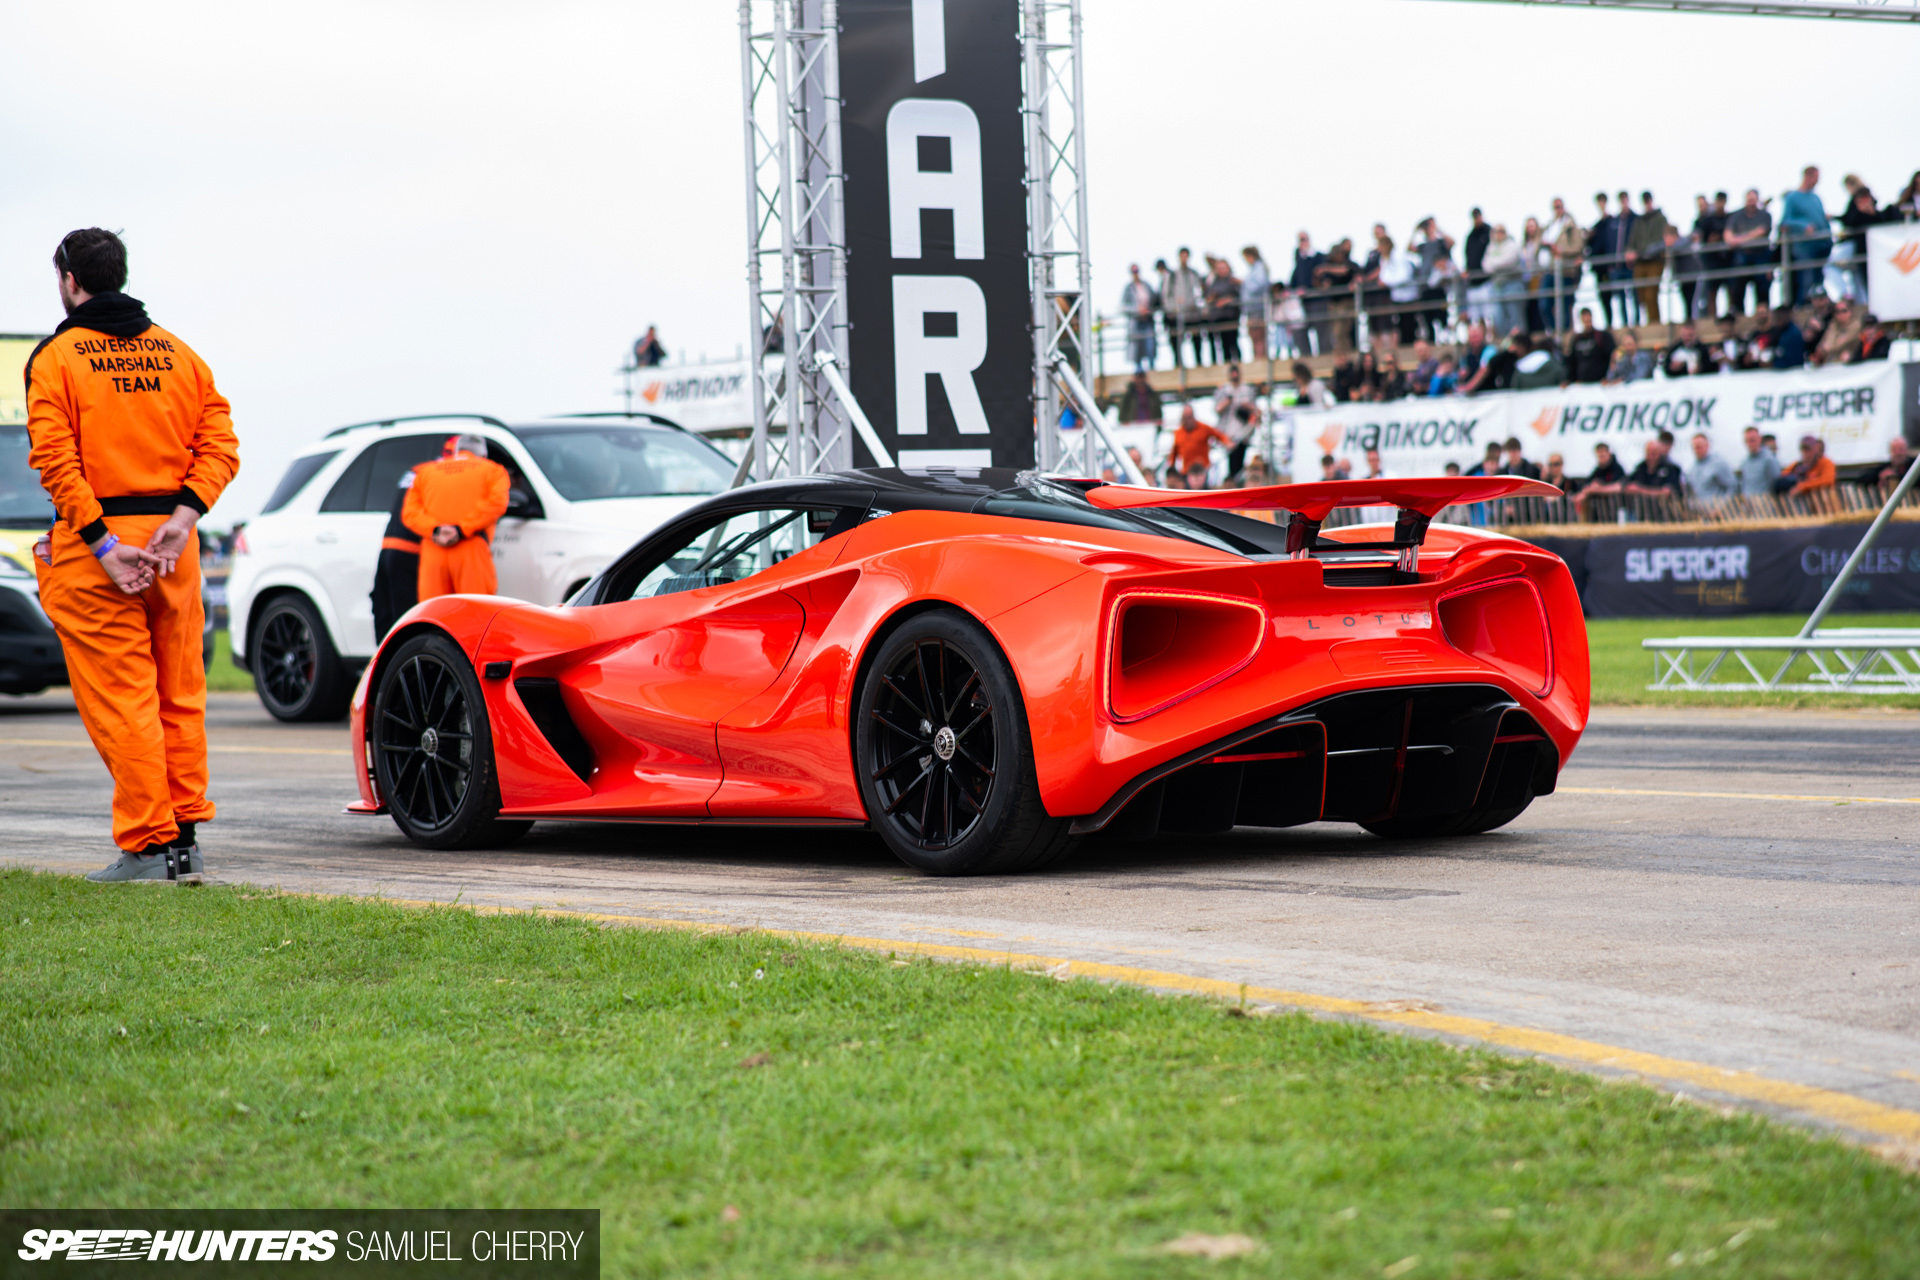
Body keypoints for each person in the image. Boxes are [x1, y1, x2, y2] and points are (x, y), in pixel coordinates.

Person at [26, 228, 240, 883]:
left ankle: (148, 847)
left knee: (123, 701)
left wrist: (101, 544)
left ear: (69, 281)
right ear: (119, 275)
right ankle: (184, 842)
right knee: (179, 694)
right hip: (173, 548)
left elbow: (56, 460)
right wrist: (183, 518)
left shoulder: (56, 358)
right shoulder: (179, 354)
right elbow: (221, 446)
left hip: (102, 550)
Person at [403, 434, 510, 599]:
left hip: (434, 550)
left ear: (456, 451)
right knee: (475, 608)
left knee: (435, 609)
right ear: (483, 455)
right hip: (471, 548)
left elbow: (410, 513)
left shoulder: (426, 472)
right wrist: (461, 529)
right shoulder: (492, 470)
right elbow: (497, 504)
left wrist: (436, 529)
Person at [370, 468, 422, 641]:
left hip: (387, 547)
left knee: (384, 610)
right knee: (406, 617)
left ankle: (383, 654)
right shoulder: (433, 472)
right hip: (410, 550)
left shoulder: (414, 471)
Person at [1779, 165, 1832, 308]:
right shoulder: (1793, 198)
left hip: (1822, 245)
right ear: (1807, 176)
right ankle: (1804, 307)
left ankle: (1819, 306)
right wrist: (1803, 226)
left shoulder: (1816, 197)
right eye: (1816, 177)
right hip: (1805, 247)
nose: (1817, 181)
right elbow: (1785, 221)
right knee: (1806, 279)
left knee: (1819, 278)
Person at [1723, 189, 1773, 316]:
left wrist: (1739, 240)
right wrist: (1743, 239)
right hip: (1742, 257)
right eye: (1749, 200)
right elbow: (1728, 236)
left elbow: (1761, 232)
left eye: (1753, 199)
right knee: (1738, 285)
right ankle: (1739, 313)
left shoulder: (1765, 215)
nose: (1751, 202)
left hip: (1761, 256)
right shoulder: (1736, 216)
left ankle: (1762, 313)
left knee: (1762, 286)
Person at [1624, 192, 1671, 324]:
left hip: (1655, 261)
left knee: (1651, 294)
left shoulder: (1661, 219)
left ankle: (1654, 324)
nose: (1646, 203)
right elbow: (1632, 241)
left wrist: (1638, 252)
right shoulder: (1639, 221)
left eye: (1647, 200)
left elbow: (1660, 242)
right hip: (1640, 263)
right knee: (1641, 296)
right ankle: (1647, 322)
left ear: (1651, 200)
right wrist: (1629, 251)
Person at [1623, 431, 1686, 519]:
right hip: (1643, 517)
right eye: (1648, 454)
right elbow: (1625, 484)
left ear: (1660, 453)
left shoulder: (1671, 469)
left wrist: (1640, 490)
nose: (1651, 457)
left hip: (1667, 517)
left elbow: (1666, 492)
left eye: (1654, 454)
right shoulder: (1641, 468)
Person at [1162, 248, 1207, 367]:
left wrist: (1199, 305)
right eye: (1182, 256)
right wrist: (1172, 308)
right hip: (1178, 314)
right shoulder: (1173, 275)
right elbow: (1167, 295)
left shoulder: (1194, 274)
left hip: (1192, 313)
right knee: (1177, 341)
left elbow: (1199, 291)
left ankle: (1199, 363)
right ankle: (1178, 364)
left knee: (1196, 339)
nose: (1184, 259)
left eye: (1186, 256)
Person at [1213, 364, 1260, 477]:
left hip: (1244, 432)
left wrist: (1246, 406)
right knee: (1232, 462)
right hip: (1228, 433)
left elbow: (1255, 410)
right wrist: (1227, 401)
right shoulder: (1224, 390)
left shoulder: (1247, 390)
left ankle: (1238, 479)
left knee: (1240, 461)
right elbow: (1217, 409)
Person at [1165, 406, 1229, 489]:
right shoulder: (1178, 433)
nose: (1188, 420)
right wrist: (1172, 468)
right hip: (1186, 472)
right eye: (1186, 417)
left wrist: (1227, 442)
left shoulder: (1203, 428)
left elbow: (1219, 435)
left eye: (1190, 417)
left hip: (1203, 470)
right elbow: (1174, 453)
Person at [1483, 223, 1526, 338]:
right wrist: (1498, 264)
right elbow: (1485, 266)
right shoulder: (1491, 247)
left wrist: (1494, 264)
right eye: (1496, 231)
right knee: (1498, 317)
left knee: (1515, 316)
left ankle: (1519, 341)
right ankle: (1505, 341)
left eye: (1501, 231)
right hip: (1497, 286)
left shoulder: (1512, 245)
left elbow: (1509, 261)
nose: (1499, 234)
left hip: (1512, 284)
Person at [1693, 192, 1730, 320]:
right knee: (1711, 293)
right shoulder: (1704, 221)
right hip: (1710, 262)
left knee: (1731, 289)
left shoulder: (1728, 218)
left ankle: (1730, 315)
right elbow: (1699, 240)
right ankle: (1712, 319)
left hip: (1727, 260)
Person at [1743, 301, 1805, 371]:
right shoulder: (1753, 335)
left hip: (1787, 373)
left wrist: (1772, 364)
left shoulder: (1784, 334)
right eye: (1777, 316)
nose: (1778, 319)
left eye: (1762, 313)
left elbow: (1792, 360)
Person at [1119, 264, 1158, 372]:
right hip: (1136, 322)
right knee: (1137, 347)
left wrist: (1148, 310)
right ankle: (1138, 369)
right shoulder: (1128, 288)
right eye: (1133, 272)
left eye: (1136, 271)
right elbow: (1124, 306)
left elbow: (1154, 300)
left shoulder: (1146, 285)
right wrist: (1137, 310)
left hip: (1147, 321)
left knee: (1150, 345)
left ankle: (1152, 367)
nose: (1135, 274)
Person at [1573, 442, 1627, 520]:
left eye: (1603, 456)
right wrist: (1584, 491)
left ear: (1608, 453)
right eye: (1599, 456)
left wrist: (1594, 489)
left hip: (1614, 512)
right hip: (1600, 513)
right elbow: (1588, 483)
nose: (1601, 459)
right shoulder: (1598, 470)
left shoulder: (1617, 469)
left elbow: (1618, 487)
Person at [1204, 256, 1242, 365]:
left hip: (1231, 316)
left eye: (1223, 267)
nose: (1221, 270)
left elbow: (1240, 295)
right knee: (1223, 344)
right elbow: (1208, 296)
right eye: (1219, 268)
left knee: (1233, 342)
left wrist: (1227, 300)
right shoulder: (1213, 282)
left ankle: (1238, 364)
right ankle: (1227, 365)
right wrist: (1212, 298)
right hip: (1218, 317)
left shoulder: (1233, 281)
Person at [1563, 308, 1614, 385]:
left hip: (1600, 383)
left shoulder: (1601, 336)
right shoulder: (1577, 339)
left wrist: (1609, 377)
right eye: (1585, 320)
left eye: (1588, 320)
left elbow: (1612, 357)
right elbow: (1572, 362)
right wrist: (1570, 380)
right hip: (1582, 384)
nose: (1587, 323)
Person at [1462, 207, 1493, 325]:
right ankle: (1482, 334)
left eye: (1477, 216)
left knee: (1490, 315)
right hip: (1473, 282)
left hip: (1487, 281)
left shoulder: (1489, 231)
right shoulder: (1470, 236)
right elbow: (1467, 257)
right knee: (1477, 317)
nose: (1476, 219)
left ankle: (1492, 334)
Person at [1240, 246, 1271, 362]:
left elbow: (1260, 285)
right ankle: (1258, 359)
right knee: (1253, 336)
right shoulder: (1254, 269)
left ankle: (1260, 361)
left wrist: (1243, 284)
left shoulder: (1259, 268)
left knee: (1258, 337)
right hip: (1251, 309)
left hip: (1256, 308)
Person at [1685, 432, 1737, 500]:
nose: (1696, 450)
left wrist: (1723, 504)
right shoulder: (1693, 469)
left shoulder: (1718, 464)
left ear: (1707, 445)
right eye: (1694, 447)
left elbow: (1732, 487)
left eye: (1699, 447)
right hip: (1700, 506)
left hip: (1717, 506)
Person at [1737, 426, 1781, 496]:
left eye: (1752, 440)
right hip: (1747, 501)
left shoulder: (1769, 459)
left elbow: (1775, 484)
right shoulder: (1744, 462)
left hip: (1764, 501)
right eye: (1747, 441)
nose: (1749, 444)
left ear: (1759, 439)